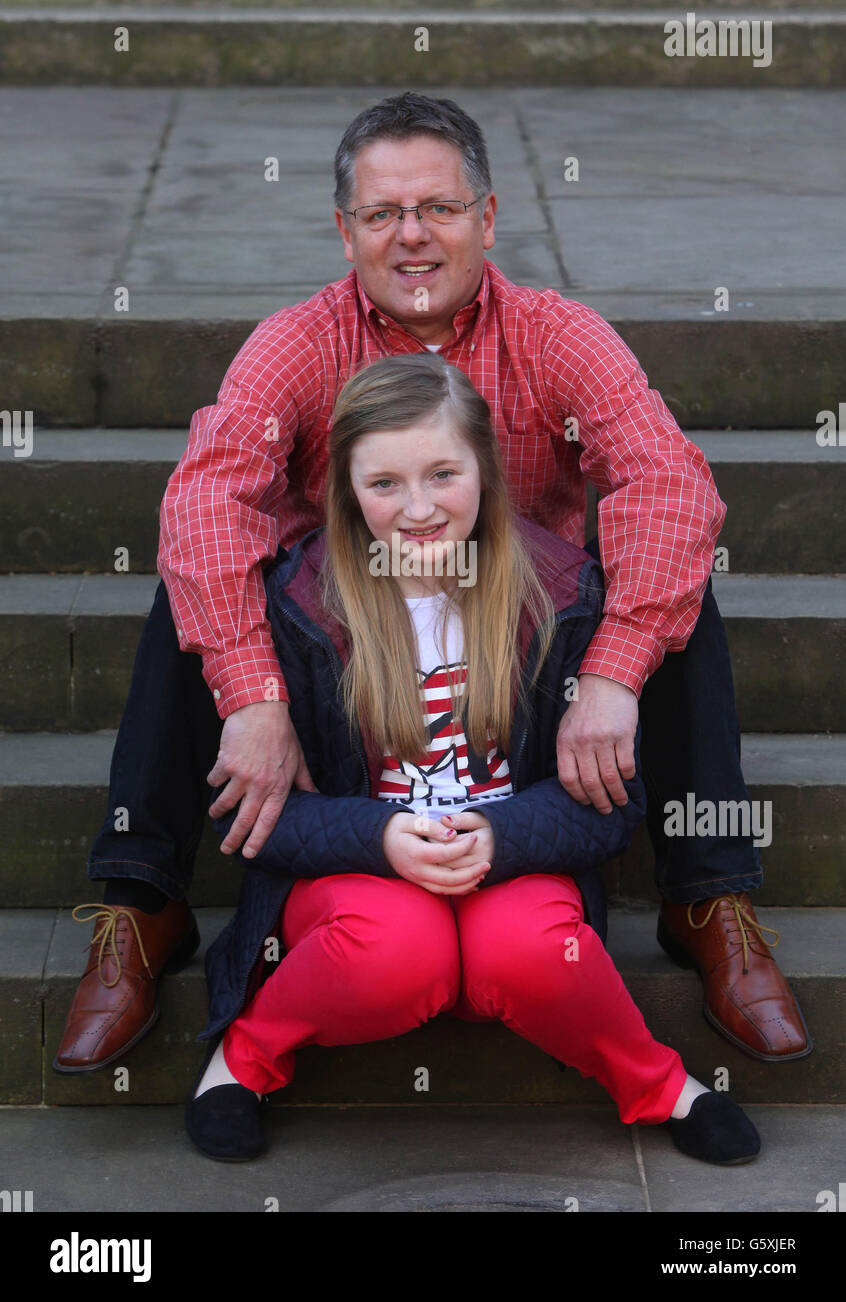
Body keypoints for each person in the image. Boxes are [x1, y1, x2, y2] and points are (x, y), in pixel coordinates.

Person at [54, 90, 810, 1077]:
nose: (412, 236)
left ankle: (708, 893)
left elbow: (668, 480)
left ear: (487, 218)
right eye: (382, 214)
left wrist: (615, 674)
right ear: (346, 229)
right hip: (347, 650)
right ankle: (142, 901)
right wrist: (255, 696)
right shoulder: (300, 341)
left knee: (672, 567)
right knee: (193, 570)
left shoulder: (556, 335)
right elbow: (207, 498)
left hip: (525, 649)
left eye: (439, 209)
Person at [184, 355, 760, 1166]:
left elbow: (611, 803)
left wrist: (500, 838)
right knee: (399, 948)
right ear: (344, 489)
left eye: (443, 474)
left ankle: (658, 1083)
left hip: (515, 864)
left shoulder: (560, 596)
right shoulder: (301, 606)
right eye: (383, 484)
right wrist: (380, 840)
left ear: (484, 472)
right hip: (359, 876)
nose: (418, 510)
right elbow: (263, 819)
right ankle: (242, 1062)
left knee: (530, 948)